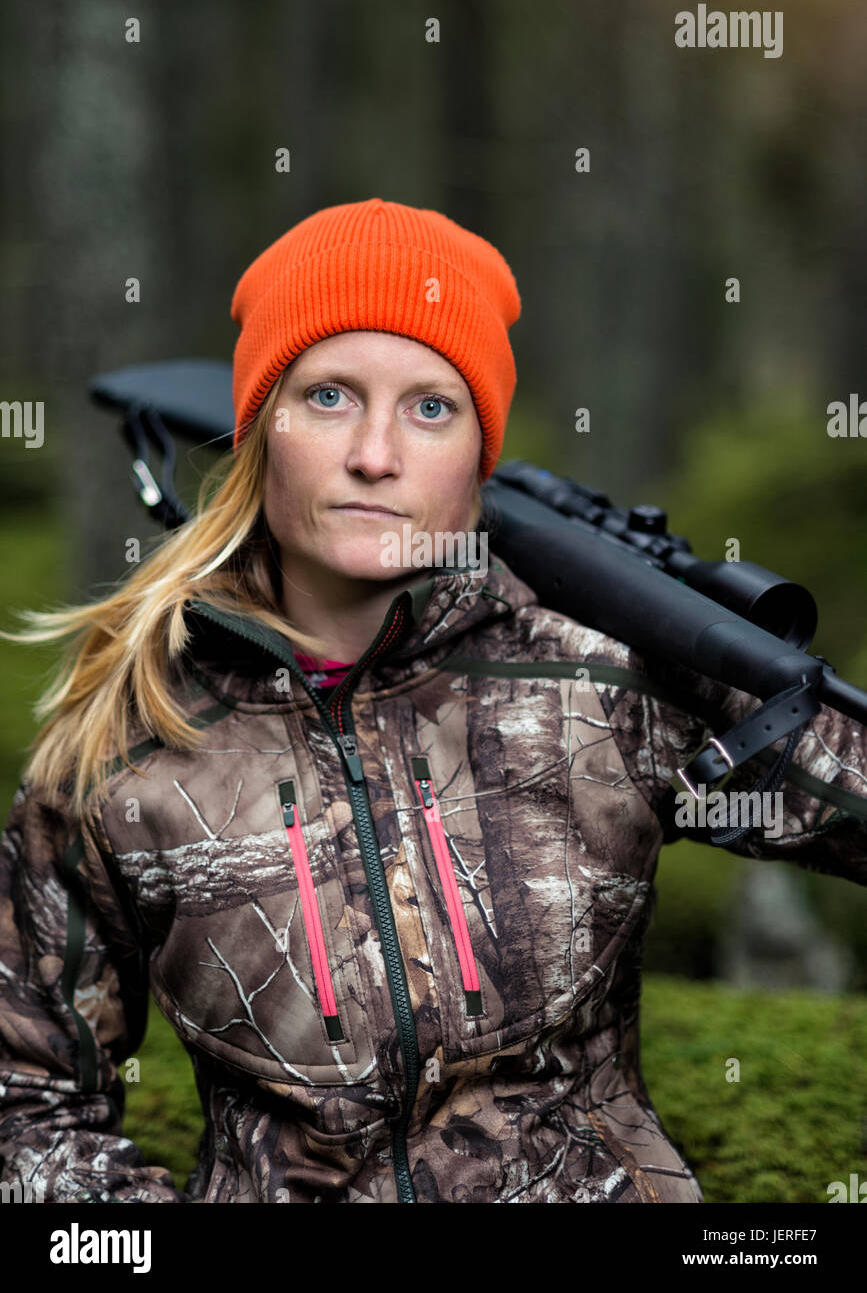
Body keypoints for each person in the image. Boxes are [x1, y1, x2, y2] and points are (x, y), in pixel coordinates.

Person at [0, 197, 865, 1205]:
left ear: (478, 455)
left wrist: (733, 683)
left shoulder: (605, 678)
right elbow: (27, 1102)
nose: (375, 453)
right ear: (261, 426)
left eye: (430, 408)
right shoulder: (122, 745)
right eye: (330, 396)